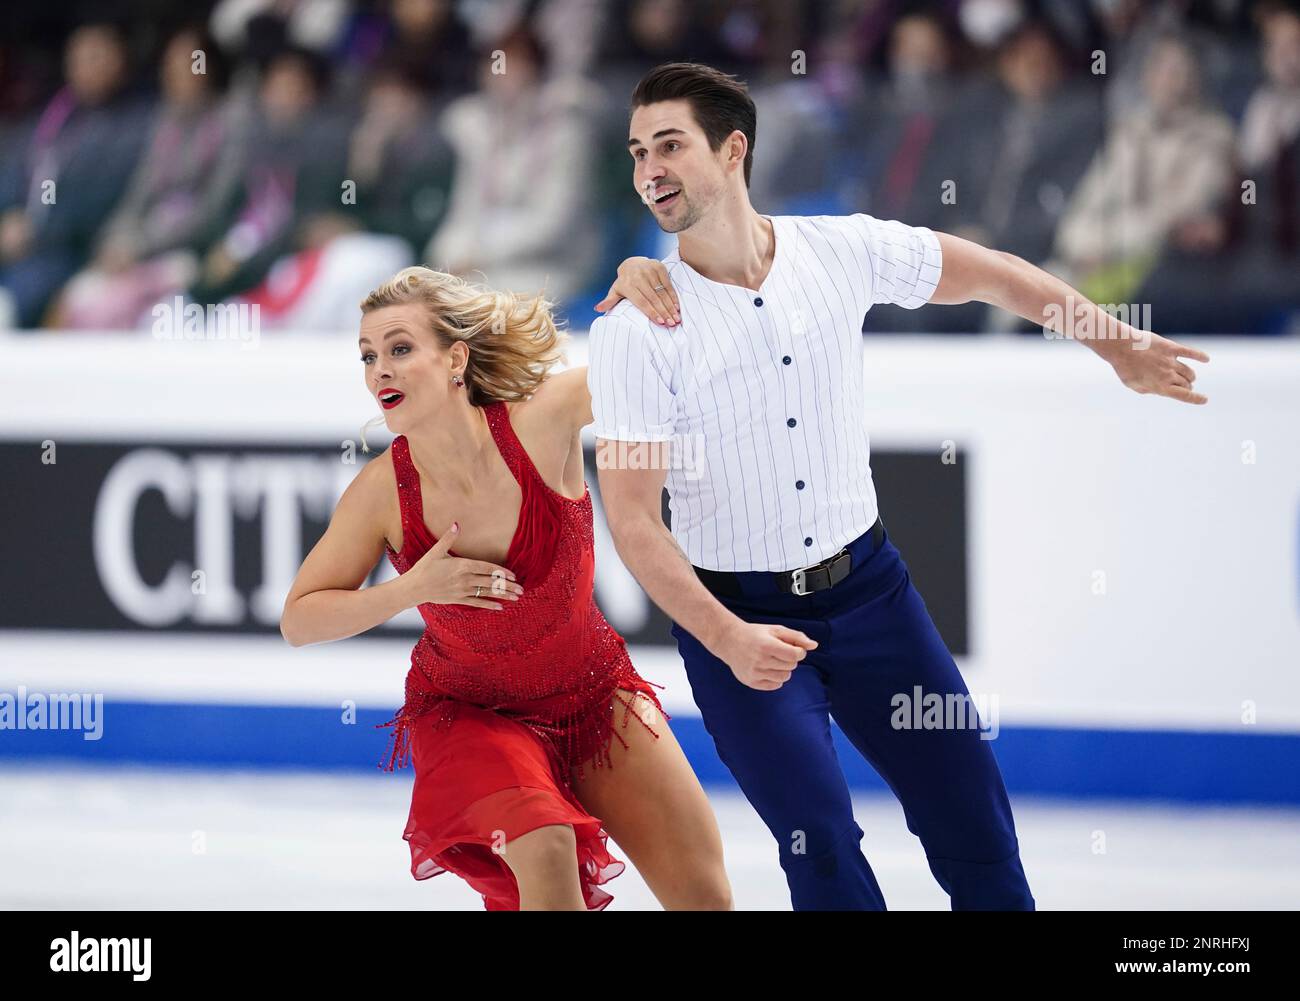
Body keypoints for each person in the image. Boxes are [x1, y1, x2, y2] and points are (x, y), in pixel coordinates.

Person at [587, 62, 1209, 910]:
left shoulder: (840, 251)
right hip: (741, 622)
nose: (649, 169)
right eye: (636, 152)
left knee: (975, 824)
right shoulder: (637, 328)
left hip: (874, 600)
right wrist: (728, 637)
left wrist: (1113, 343)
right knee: (824, 851)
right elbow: (632, 522)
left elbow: (991, 271)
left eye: (670, 145)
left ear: (733, 150)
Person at [279, 265, 730, 911]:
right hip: (471, 712)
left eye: (401, 348)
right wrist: (413, 588)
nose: (380, 369)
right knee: (544, 846)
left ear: (456, 358)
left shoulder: (541, 421)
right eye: (369, 355)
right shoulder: (381, 492)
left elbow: (656, 361)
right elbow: (299, 620)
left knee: (705, 896)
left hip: (595, 691)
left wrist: (646, 289)